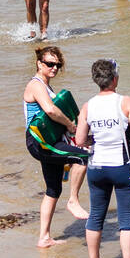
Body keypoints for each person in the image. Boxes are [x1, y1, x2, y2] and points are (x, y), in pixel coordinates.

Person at [74, 58, 130, 258]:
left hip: (97, 168)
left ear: (97, 80)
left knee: (95, 215)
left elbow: (79, 140)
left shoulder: (88, 105)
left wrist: (93, 139)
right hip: (123, 167)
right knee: (127, 219)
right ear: (115, 78)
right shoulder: (125, 102)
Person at [23, 45, 89, 247]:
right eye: (50, 64)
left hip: (49, 141)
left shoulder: (47, 86)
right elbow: (50, 111)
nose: (54, 68)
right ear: (39, 63)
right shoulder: (35, 85)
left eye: (57, 65)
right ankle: (73, 201)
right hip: (40, 141)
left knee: (53, 188)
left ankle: (44, 238)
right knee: (82, 157)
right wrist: (70, 125)